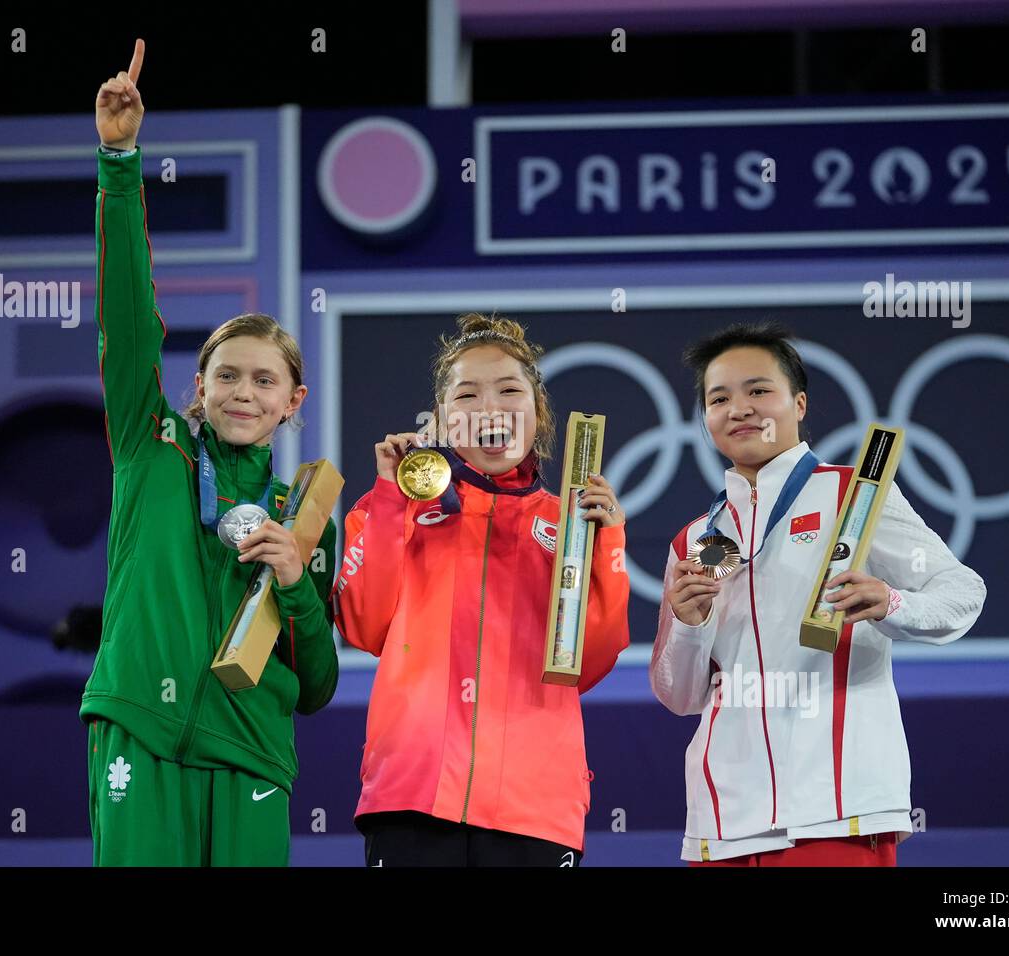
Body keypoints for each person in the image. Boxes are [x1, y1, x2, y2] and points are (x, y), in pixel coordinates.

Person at [81, 39, 338, 866]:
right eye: (226, 374)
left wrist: (295, 581)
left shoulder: (307, 510)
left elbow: (321, 686)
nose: (242, 392)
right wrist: (120, 162)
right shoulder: (148, 446)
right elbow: (126, 315)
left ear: (293, 402)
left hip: (251, 754)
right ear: (198, 384)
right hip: (140, 733)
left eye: (265, 381)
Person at [651, 321, 986, 866]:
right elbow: (679, 695)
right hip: (723, 820)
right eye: (719, 398)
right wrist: (688, 626)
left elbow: (962, 590)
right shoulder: (700, 539)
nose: (739, 408)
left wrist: (892, 604)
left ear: (799, 403)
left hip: (836, 808)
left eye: (759, 390)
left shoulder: (855, 494)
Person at [332, 313, 630, 866]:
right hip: (412, 794)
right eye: (466, 395)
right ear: (443, 420)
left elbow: (587, 662)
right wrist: (390, 499)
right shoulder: (393, 508)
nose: (489, 407)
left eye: (509, 389)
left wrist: (608, 542)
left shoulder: (570, 523)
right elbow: (363, 626)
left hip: (534, 804)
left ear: (537, 411)